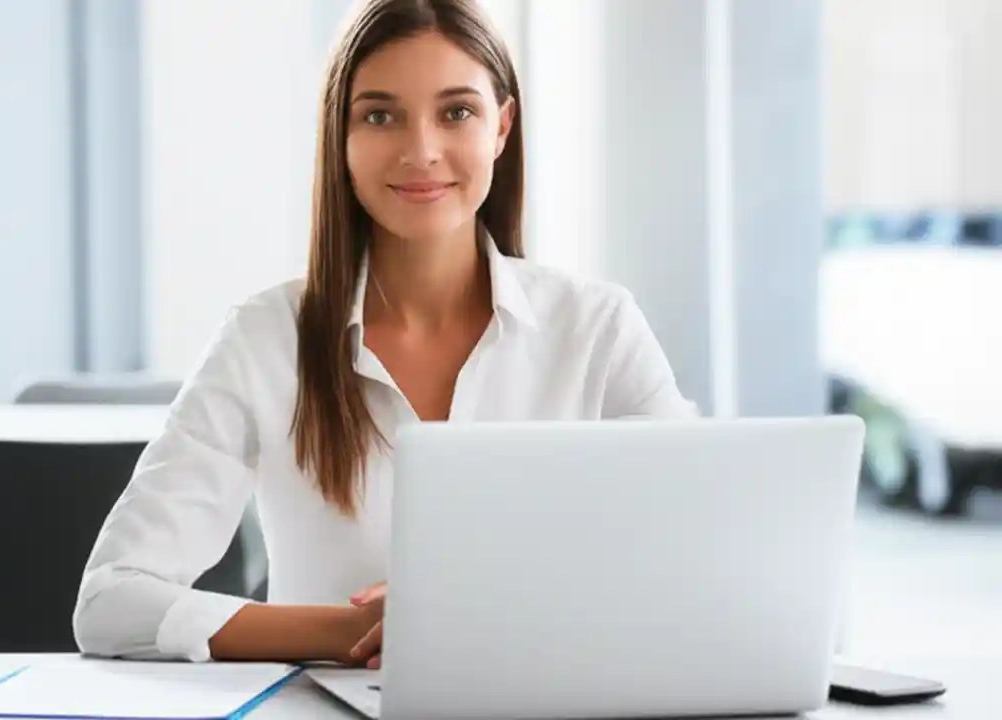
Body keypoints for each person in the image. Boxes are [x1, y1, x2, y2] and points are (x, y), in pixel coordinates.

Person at [73, 0, 695, 670]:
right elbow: (112, 603)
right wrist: (355, 632)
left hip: (557, 697)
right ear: (339, 138)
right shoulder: (266, 337)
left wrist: (486, 612)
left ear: (502, 128)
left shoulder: (597, 327)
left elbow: (692, 561)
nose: (420, 150)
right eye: (379, 115)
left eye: (456, 112)